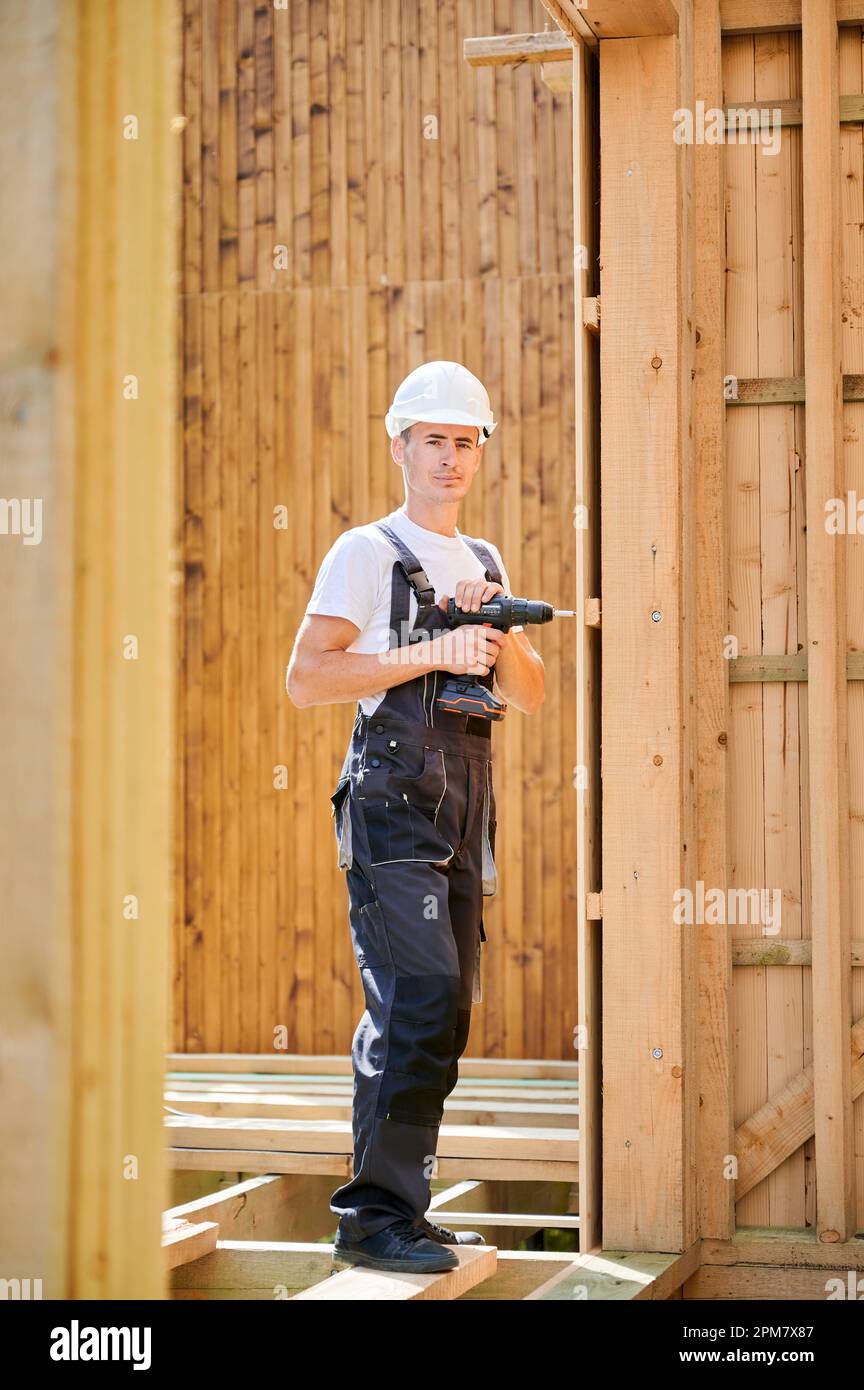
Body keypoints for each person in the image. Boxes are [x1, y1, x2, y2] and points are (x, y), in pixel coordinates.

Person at [286, 360, 545, 1273]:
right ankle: (370, 1217)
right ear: (400, 446)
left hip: (465, 808)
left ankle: (407, 1210)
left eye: (464, 442)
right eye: (432, 440)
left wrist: (494, 631)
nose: (449, 457)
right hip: (392, 806)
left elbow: (534, 695)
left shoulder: (484, 562)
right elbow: (309, 678)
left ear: (480, 454)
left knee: (447, 1009)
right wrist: (433, 645)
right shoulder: (366, 550)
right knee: (414, 1000)